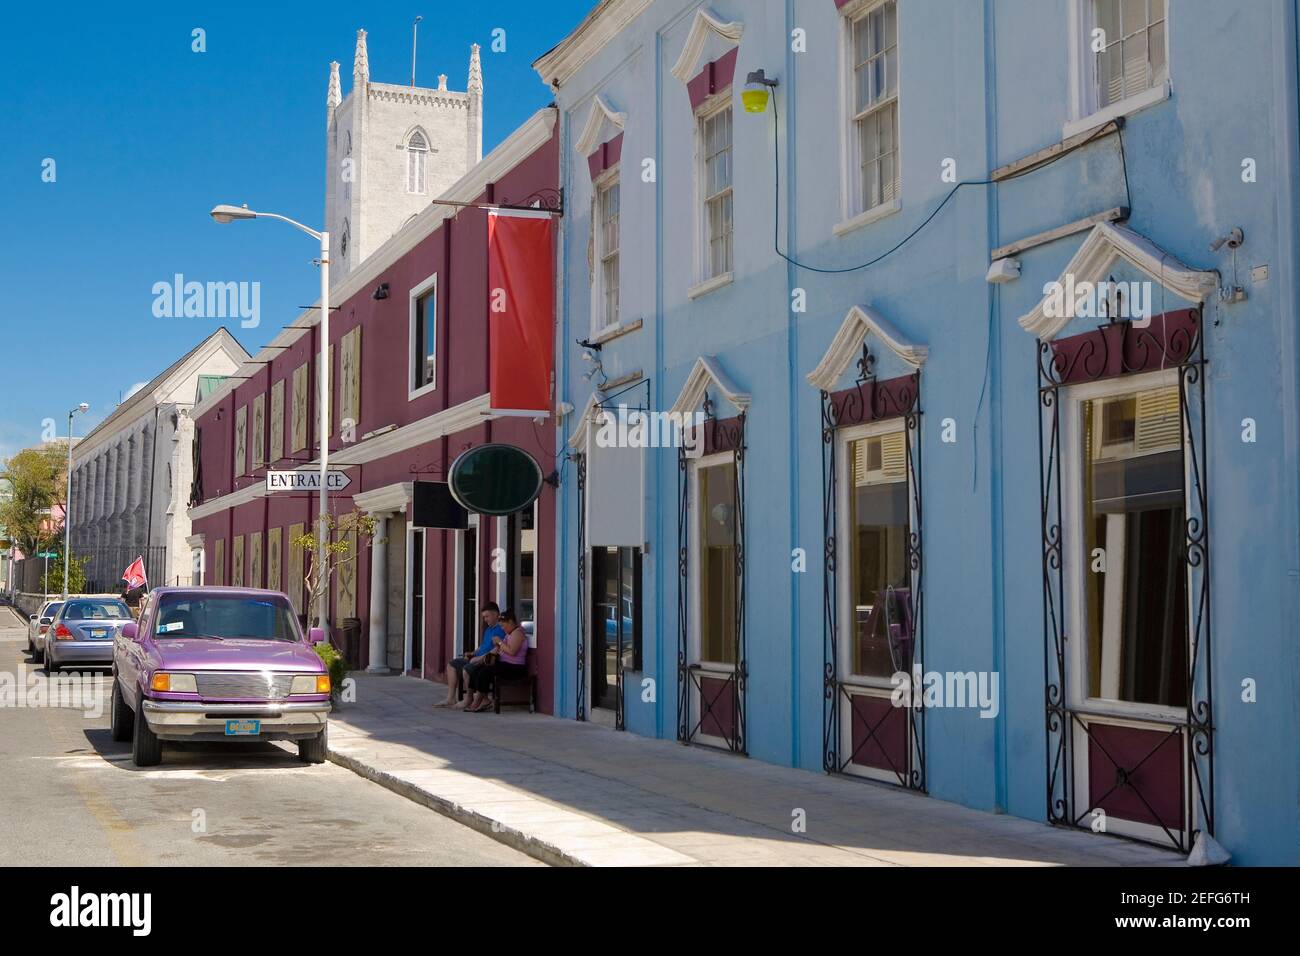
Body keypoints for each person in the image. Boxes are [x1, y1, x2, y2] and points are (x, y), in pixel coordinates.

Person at [436, 602, 503, 708]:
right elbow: (483, 646)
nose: (485, 619)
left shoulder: (501, 629)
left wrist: (480, 658)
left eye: (487, 616)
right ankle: (451, 698)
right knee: (452, 664)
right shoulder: (488, 629)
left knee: (467, 669)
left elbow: (498, 648)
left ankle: (470, 698)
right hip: (476, 657)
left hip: (486, 660)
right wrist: (473, 653)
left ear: (495, 614)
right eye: (484, 617)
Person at [464, 609, 528, 713]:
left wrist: (499, 642)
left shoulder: (518, 633)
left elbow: (512, 652)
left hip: (515, 667)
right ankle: (482, 700)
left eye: (504, 625)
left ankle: (477, 703)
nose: (502, 628)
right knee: (476, 670)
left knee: (485, 673)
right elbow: (502, 649)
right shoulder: (509, 634)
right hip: (504, 665)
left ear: (511, 622)